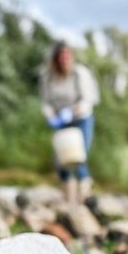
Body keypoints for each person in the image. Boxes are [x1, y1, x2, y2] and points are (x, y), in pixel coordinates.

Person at [39, 41, 99, 204]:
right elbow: (45, 102)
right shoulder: (47, 77)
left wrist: (72, 111)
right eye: (61, 56)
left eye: (67, 56)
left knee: (78, 156)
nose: (65, 59)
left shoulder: (80, 73)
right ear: (56, 58)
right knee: (61, 160)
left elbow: (89, 98)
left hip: (81, 119)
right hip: (60, 122)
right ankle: (68, 198)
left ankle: (83, 196)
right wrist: (51, 117)